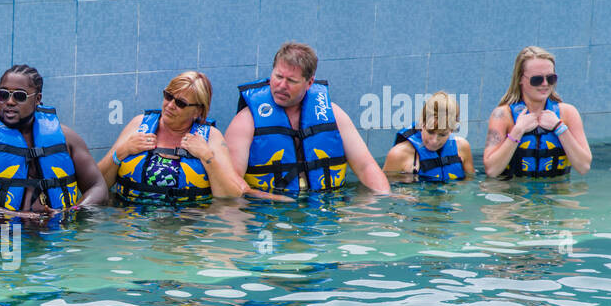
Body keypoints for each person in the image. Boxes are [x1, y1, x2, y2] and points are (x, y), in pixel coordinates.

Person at [224, 42, 390, 196]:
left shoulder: (333, 115)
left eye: (291, 81)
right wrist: (274, 199)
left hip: (324, 209)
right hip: (269, 210)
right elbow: (230, 182)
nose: (282, 86)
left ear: (309, 83)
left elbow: (366, 167)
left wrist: (384, 198)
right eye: (278, 77)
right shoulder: (246, 121)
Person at [0, 64, 108, 216]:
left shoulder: (66, 138)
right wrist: (13, 215)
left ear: (37, 99)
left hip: (54, 235)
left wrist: (71, 212)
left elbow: (98, 188)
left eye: (19, 96)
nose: (9, 102)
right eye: (3, 95)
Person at [96, 70, 246, 202]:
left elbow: (231, 198)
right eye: (168, 96)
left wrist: (208, 158)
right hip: (131, 220)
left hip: (187, 223)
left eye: (180, 103)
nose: (170, 105)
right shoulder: (139, 126)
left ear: (198, 111)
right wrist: (121, 153)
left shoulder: (211, 138)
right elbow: (95, 184)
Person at [484, 46, 592, 179]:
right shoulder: (502, 115)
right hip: (514, 194)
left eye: (551, 78)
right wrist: (517, 131)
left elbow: (584, 167)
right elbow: (492, 170)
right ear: (520, 79)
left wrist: (560, 128)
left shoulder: (568, 113)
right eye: (537, 79)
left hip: (556, 192)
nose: (545, 84)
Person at [383, 91, 475, 182]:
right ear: (422, 123)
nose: (434, 141)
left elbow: (469, 184)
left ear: (452, 130)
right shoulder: (399, 154)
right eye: (430, 132)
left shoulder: (462, 148)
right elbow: (385, 190)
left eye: (442, 134)